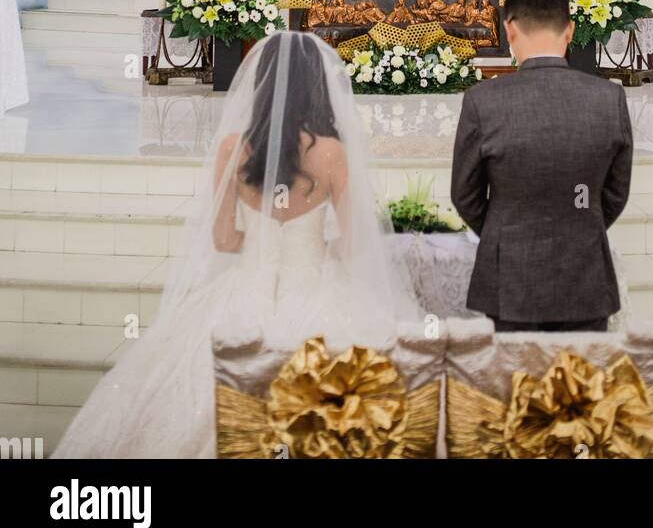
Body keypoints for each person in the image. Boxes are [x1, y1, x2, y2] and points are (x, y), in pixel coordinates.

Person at [52, 32, 421, 459]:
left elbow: (223, 239)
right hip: (316, 286)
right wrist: (313, 245)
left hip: (245, 284)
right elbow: (355, 241)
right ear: (318, 84)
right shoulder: (332, 152)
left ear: (260, 82)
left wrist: (264, 243)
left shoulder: (233, 148)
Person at [450, 0, 633, 333]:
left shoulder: (483, 100)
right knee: (580, 384)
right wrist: (580, 225)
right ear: (570, 31)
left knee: (517, 385)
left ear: (509, 30)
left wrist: (504, 232)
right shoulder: (608, 98)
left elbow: (465, 195)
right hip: (585, 276)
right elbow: (615, 192)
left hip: (511, 281)